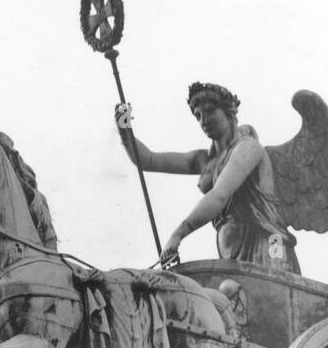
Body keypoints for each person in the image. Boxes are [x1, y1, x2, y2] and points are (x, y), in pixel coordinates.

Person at [115, 83, 298, 272]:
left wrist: (179, 234)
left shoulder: (248, 148)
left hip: (270, 246)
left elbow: (220, 195)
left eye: (210, 111)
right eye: (198, 115)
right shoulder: (205, 160)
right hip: (232, 254)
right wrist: (124, 128)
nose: (204, 120)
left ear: (229, 112)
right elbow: (148, 160)